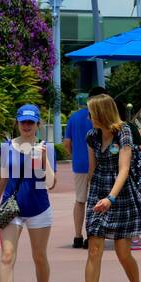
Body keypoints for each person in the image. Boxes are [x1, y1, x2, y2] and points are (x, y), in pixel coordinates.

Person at [81, 93, 141, 282]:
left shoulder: (124, 132)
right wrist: (87, 196)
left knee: (123, 252)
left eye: (91, 112)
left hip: (120, 193)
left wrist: (110, 198)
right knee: (94, 248)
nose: (89, 116)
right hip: (98, 190)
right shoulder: (91, 136)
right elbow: (92, 168)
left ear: (101, 112)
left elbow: (123, 169)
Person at [0, 104, 55, 282]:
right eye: (23, 121)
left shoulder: (45, 147)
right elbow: (3, 177)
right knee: (7, 255)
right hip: (11, 208)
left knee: (39, 256)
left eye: (31, 122)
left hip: (38, 208)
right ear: (17, 122)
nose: (26, 126)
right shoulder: (7, 146)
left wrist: (43, 159)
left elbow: (51, 184)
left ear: (38, 124)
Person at [62, 97, 94, 249]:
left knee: (80, 200)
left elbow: (66, 143)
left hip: (79, 164)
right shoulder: (98, 115)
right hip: (97, 165)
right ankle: (91, 235)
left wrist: (74, 155)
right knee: (95, 201)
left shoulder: (73, 118)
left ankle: (77, 236)